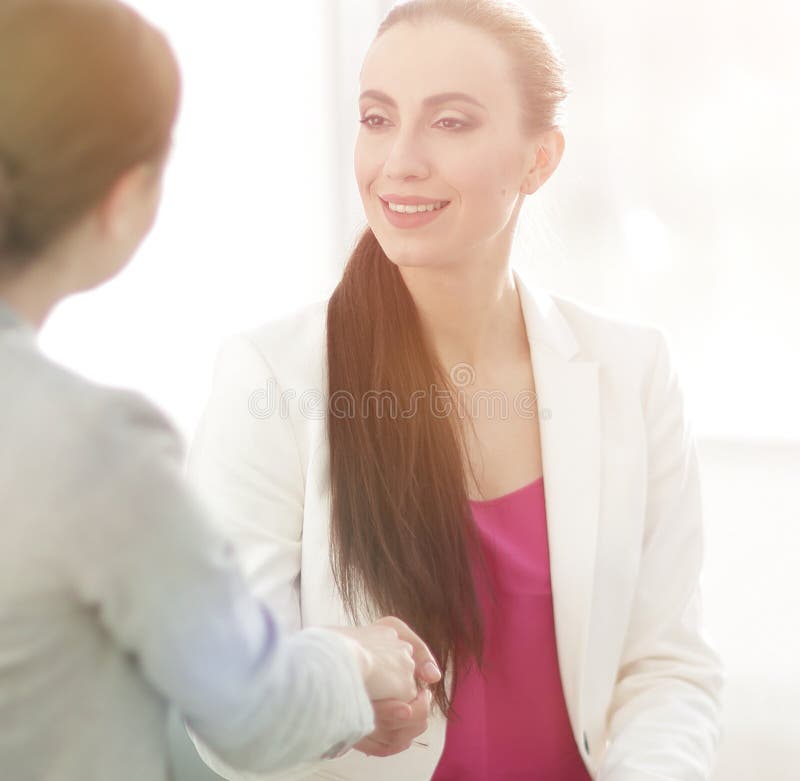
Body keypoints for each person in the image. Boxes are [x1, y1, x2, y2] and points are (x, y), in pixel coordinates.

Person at [189, 0, 724, 779]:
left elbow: (666, 667)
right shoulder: (271, 377)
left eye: (450, 123)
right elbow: (230, 714)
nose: (398, 159)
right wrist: (345, 673)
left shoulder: (633, 372)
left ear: (539, 159)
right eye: (377, 118)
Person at [0, 2, 442, 780]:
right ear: (125, 197)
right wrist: (358, 657)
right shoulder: (92, 450)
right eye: (375, 117)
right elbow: (249, 709)